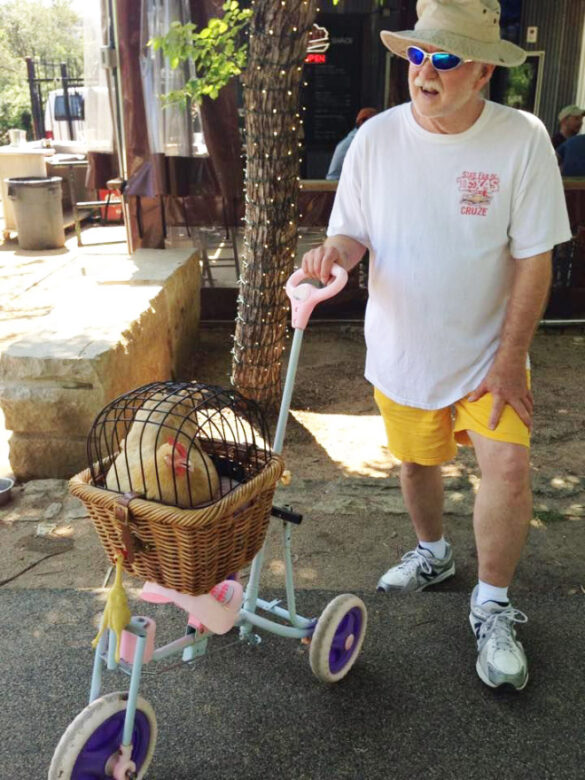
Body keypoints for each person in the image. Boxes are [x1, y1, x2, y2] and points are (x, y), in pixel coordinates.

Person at [301, 0, 571, 692]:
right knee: (417, 462)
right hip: (403, 348)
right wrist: (332, 255)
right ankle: (433, 554)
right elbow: (352, 232)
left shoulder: (521, 139)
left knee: (508, 469)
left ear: (481, 72)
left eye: (445, 58)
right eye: (417, 55)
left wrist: (509, 360)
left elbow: (534, 259)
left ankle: (493, 605)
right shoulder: (375, 140)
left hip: (490, 354)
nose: (425, 71)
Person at [325, 107, 378, 180]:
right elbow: (333, 178)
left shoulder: (366, 140)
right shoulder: (350, 143)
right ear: (361, 122)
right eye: (374, 123)